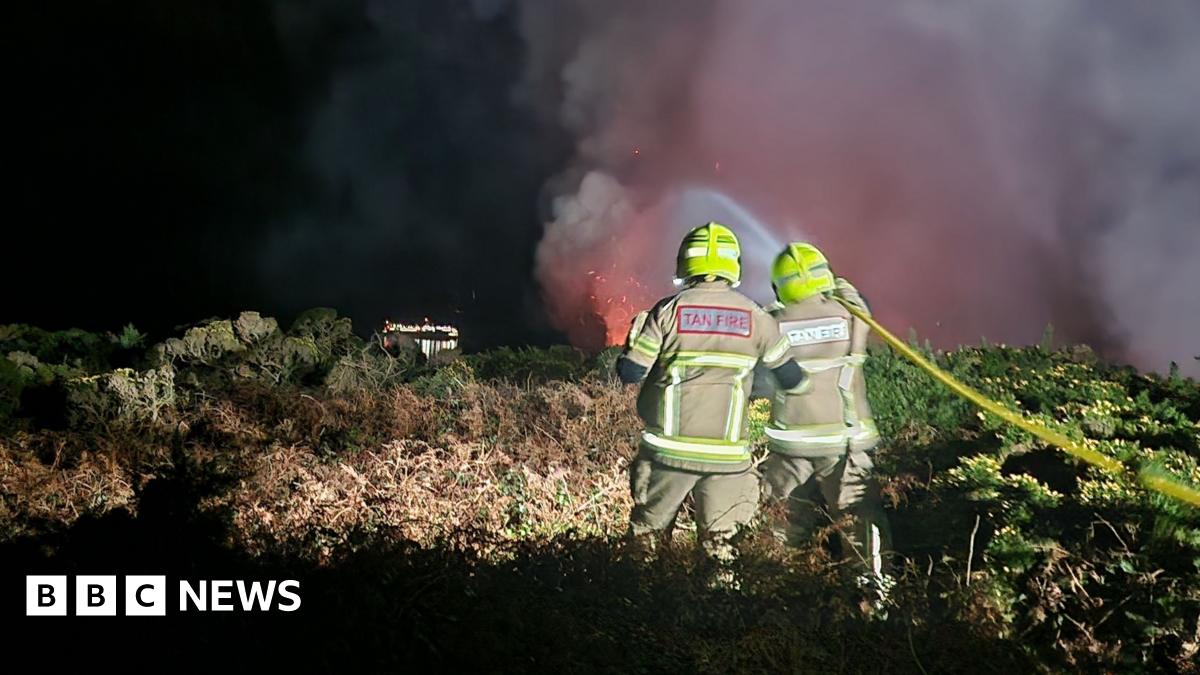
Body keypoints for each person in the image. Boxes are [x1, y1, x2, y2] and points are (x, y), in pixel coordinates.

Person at [614, 222, 805, 562]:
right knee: (721, 550)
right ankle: (718, 595)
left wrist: (633, 339)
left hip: (667, 455)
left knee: (646, 543)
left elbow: (630, 373)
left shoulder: (667, 312)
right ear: (733, 264)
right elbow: (791, 378)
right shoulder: (757, 317)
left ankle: (641, 593)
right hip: (727, 460)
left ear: (685, 263)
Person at [758, 242, 892, 588]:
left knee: (782, 527)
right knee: (860, 523)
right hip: (845, 445)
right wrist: (838, 286)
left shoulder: (772, 323)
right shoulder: (852, 317)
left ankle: (776, 597)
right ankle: (874, 597)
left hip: (791, 448)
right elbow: (860, 303)